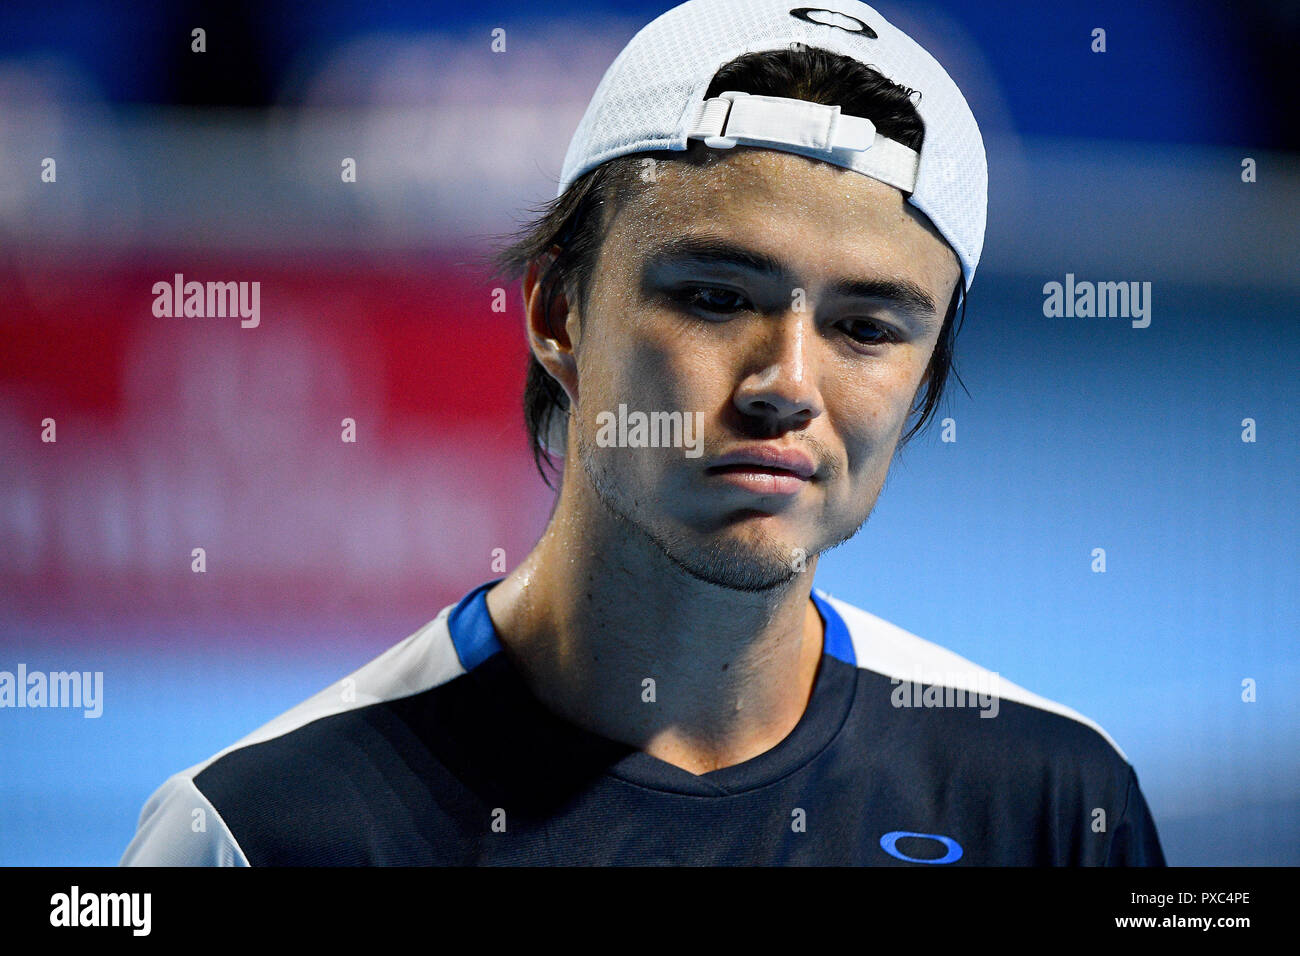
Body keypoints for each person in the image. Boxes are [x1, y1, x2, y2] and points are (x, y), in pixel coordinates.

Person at [121, 0, 1165, 866]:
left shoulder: (1056, 801)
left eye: (864, 326)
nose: (786, 384)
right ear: (556, 314)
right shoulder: (252, 832)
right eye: (713, 295)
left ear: (926, 376)